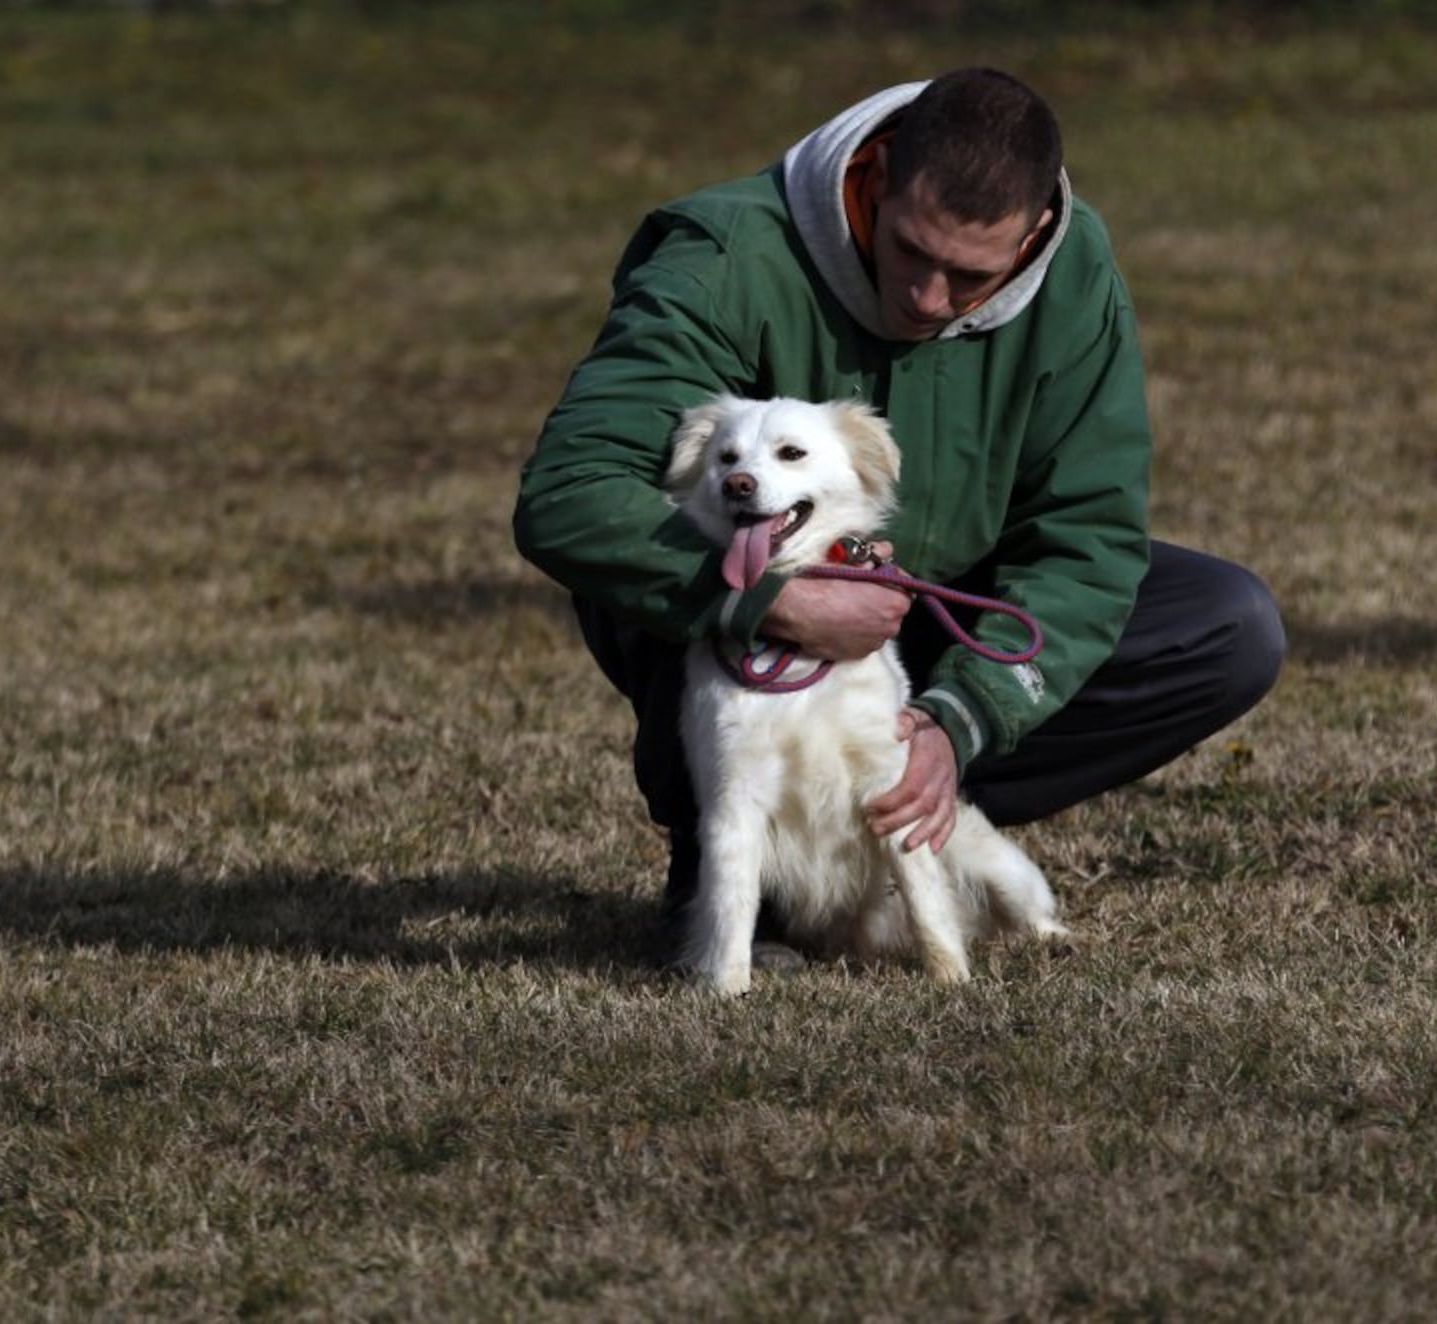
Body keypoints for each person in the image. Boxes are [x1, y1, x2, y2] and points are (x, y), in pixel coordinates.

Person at [511, 68, 1285, 968]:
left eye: (969, 275)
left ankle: (893, 817)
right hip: (740, 621)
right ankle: (730, 871)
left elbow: (1085, 544)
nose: (926, 296)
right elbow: (569, 492)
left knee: (1226, 626)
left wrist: (958, 717)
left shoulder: (1075, 273)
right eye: (911, 250)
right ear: (875, 177)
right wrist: (767, 600)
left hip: (934, 618)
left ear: (1033, 236)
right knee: (660, 551)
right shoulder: (724, 253)